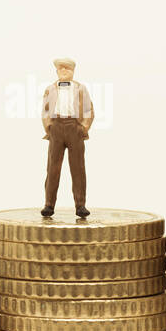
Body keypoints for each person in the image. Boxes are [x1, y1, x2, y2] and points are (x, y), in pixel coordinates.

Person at [41, 58, 93, 219]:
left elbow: (88, 109)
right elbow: (45, 109)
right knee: (53, 168)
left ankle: (80, 205)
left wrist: (83, 127)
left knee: (78, 168)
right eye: (61, 69)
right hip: (56, 127)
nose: (64, 71)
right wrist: (49, 126)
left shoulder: (81, 89)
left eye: (68, 69)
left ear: (73, 71)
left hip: (74, 127)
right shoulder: (50, 89)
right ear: (57, 71)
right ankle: (49, 204)